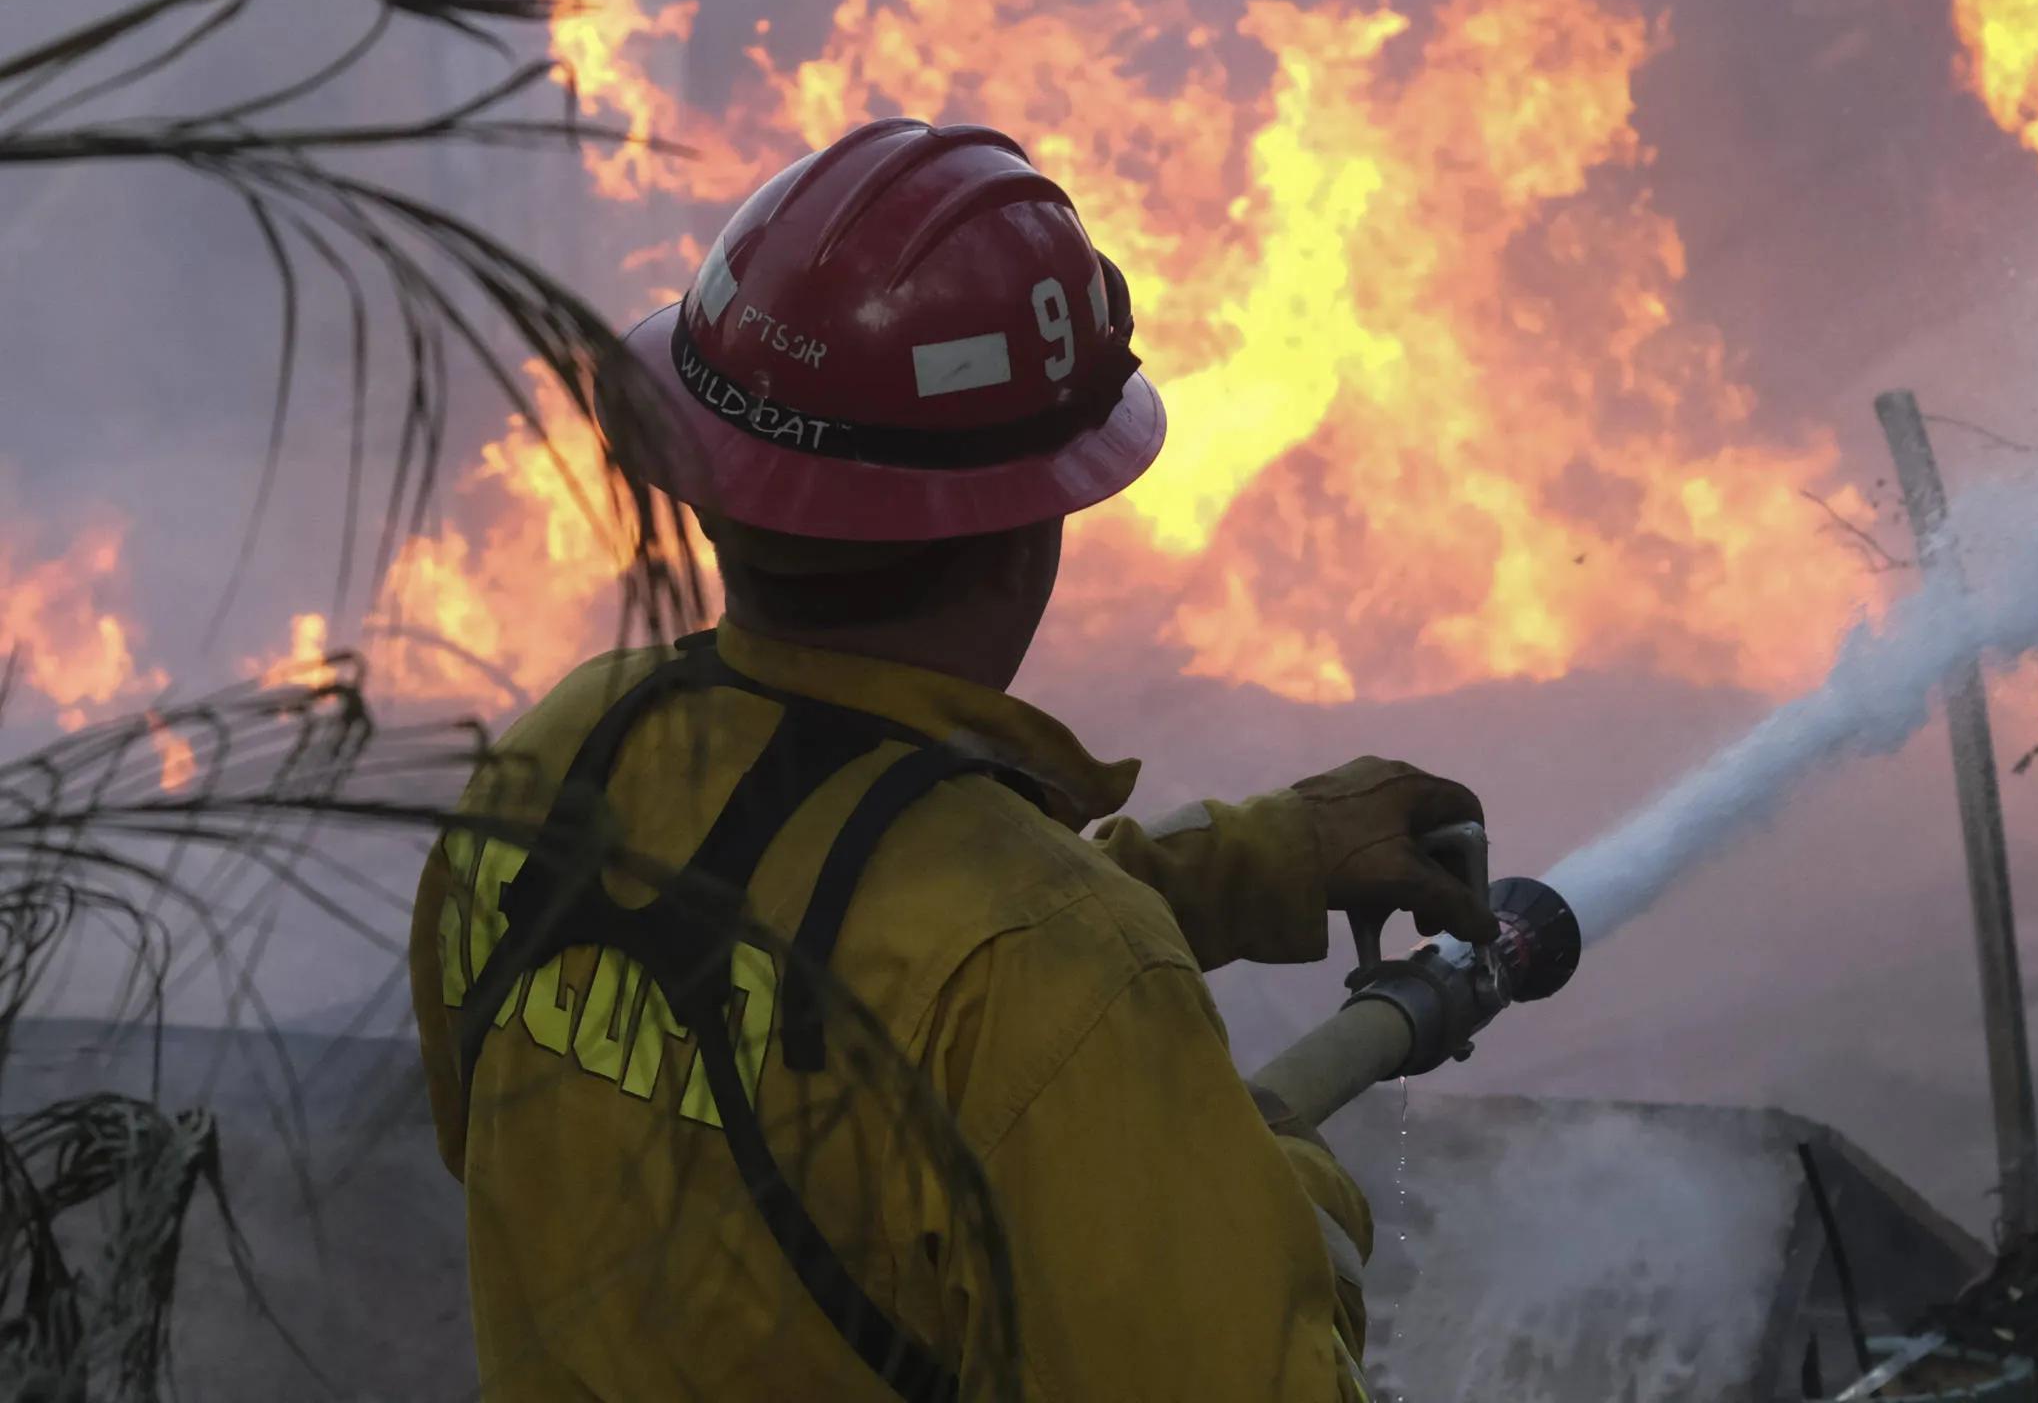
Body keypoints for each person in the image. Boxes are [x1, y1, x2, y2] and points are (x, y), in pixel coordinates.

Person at [409, 118, 1497, 1403]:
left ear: (716, 489)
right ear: (1022, 531)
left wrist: (1242, 866)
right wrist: (1270, 1196)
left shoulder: (555, 764)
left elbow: (841, 946)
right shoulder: (1057, 975)